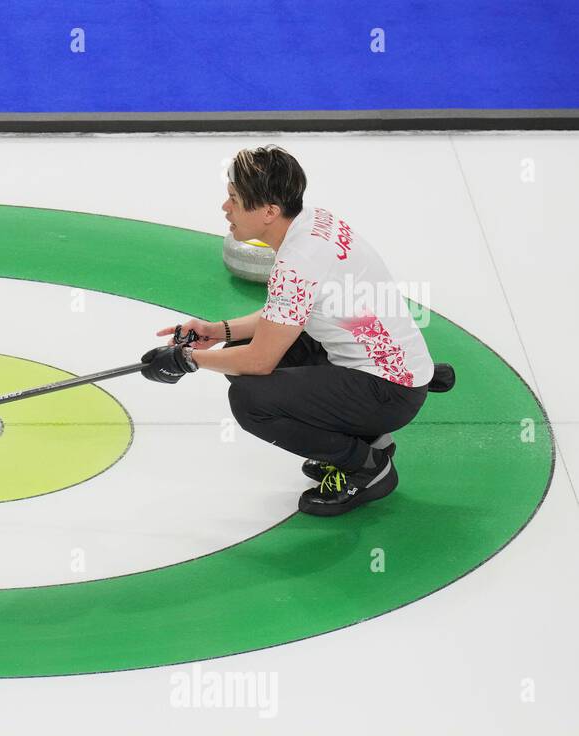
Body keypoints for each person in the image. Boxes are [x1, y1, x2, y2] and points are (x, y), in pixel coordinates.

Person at [139, 145, 446, 517]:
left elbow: (259, 360)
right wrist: (218, 331)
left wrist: (186, 359)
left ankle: (365, 467)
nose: (225, 208)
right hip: (395, 370)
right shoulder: (313, 222)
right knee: (238, 352)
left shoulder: (296, 263)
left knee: (251, 399)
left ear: (269, 211)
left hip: (388, 391)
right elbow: (283, 316)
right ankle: (370, 439)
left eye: (235, 199)